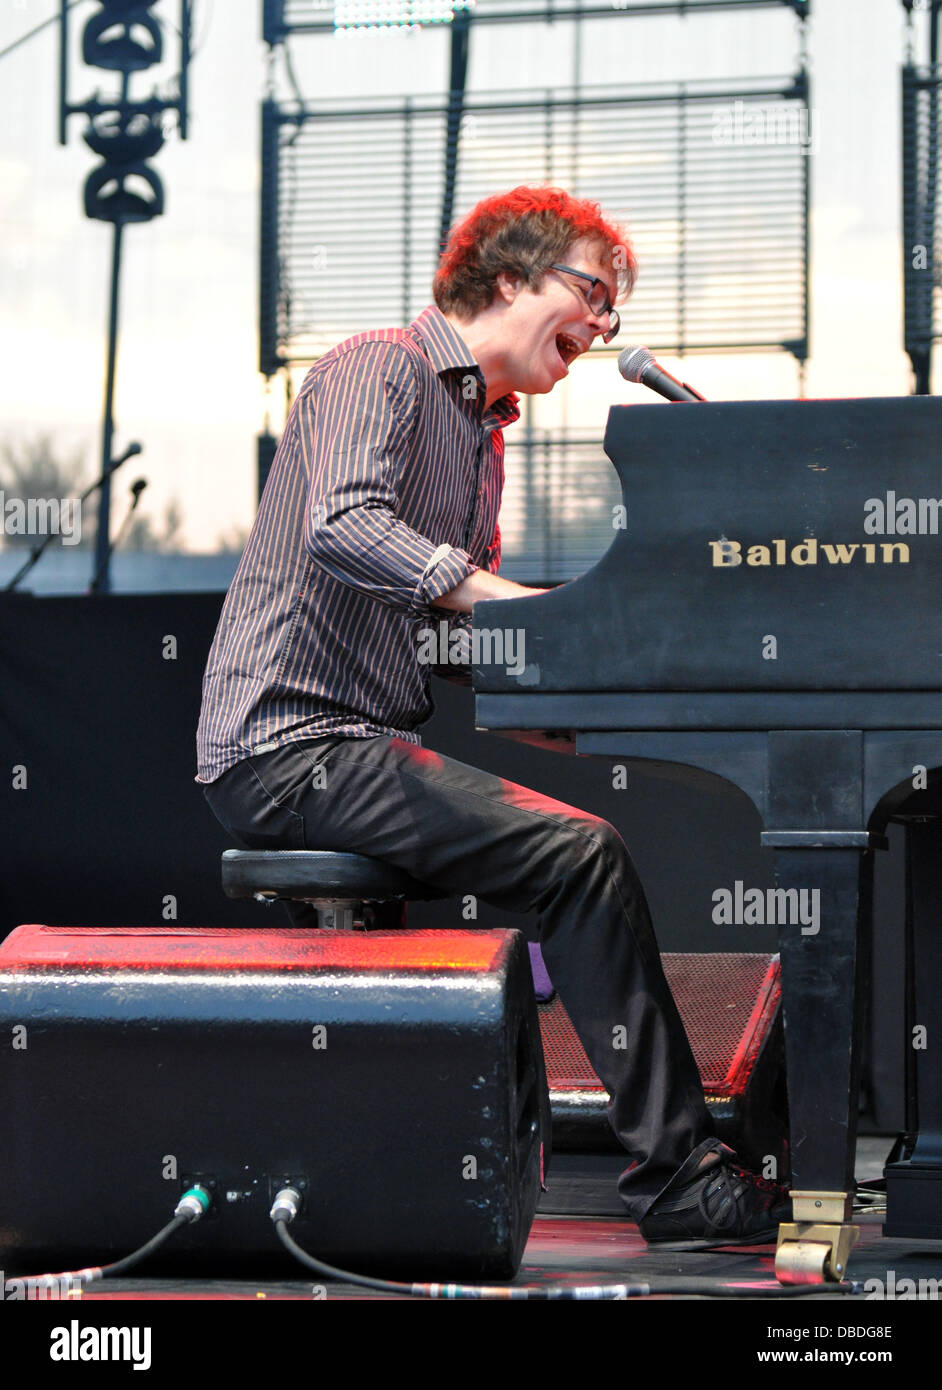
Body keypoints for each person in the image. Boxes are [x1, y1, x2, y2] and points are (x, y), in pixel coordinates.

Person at [195, 185, 789, 1249]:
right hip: (286, 742)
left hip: (360, 742)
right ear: (508, 278)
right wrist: (504, 598)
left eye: (612, 307)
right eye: (592, 292)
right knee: (582, 856)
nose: (606, 327)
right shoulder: (376, 366)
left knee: (577, 849)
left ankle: (431, 1172)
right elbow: (343, 527)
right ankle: (677, 1176)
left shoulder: (484, 436)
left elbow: (441, 625)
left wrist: (577, 696)